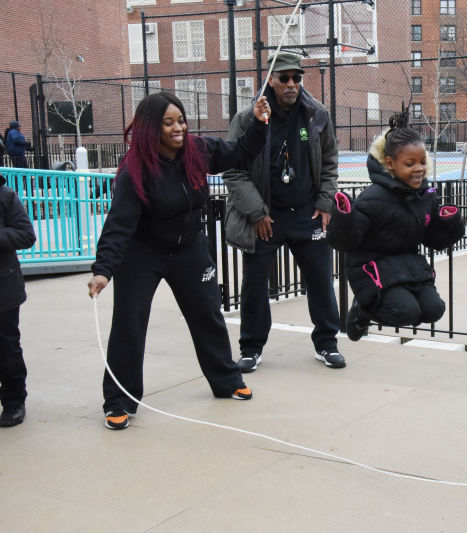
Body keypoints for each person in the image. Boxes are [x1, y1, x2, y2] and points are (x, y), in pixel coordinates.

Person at [87, 91, 271, 430]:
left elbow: (240, 152)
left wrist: (259, 125)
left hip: (188, 248)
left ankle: (226, 380)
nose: (178, 128)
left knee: (207, 314)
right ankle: (119, 400)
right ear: (149, 129)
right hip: (142, 253)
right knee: (129, 323)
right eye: (168, 123)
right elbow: (119, 224)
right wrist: (103, 270)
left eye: (181, 120)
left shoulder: (198, 151)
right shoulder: (135, 171)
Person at [222, 52, 344, 372]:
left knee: (320, 279)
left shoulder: (317, 115)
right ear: (271, 79)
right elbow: (234, 171)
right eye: (284, 78)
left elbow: (330, 162)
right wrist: (256, 213)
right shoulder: (249, 118)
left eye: (297, 78)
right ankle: (251, 347)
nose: (291, 84)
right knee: (254, 283)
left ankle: (327, 343)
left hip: (307, 212)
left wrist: (325, 202)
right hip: (267, 216)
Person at [326, 111, 464, 341]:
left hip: (407, 264)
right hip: (372, 265)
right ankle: (362, 310)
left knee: (433, 310)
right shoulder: (373, 198)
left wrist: (449, 222)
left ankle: (383, 305)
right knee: (405, 311)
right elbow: (347, 240)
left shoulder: (425, 196)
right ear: (390, 164)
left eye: (422, 162)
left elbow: (433, 239)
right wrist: (345, 216)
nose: (419, 168)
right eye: (410, 164)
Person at [0, 173, 36, 427]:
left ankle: (14, 401)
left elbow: (25, 235)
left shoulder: (5, 196)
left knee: (6, 348)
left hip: (3, 286)